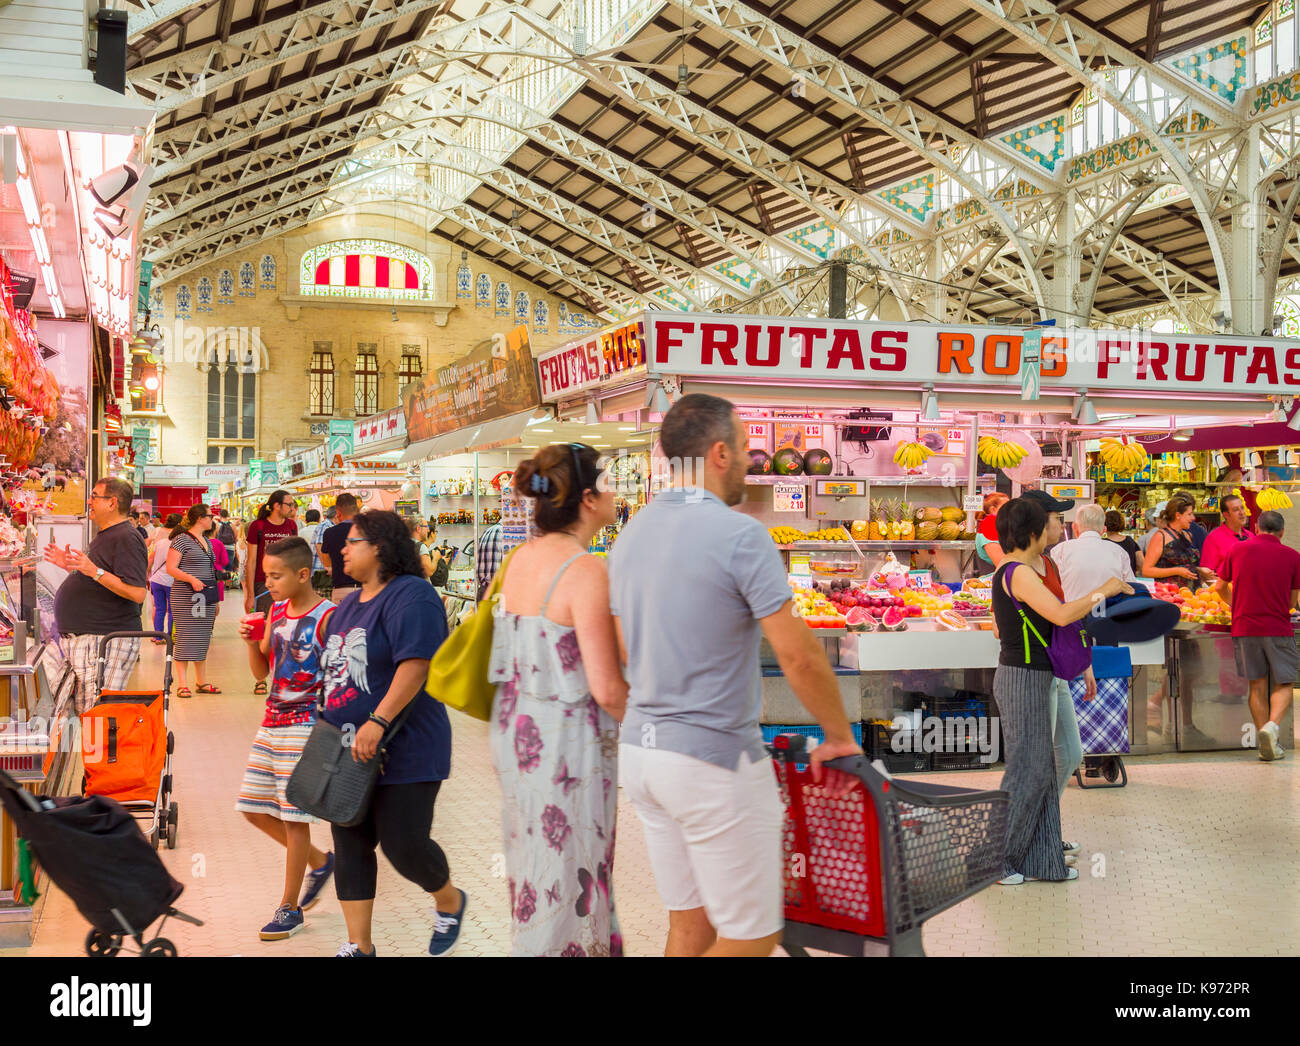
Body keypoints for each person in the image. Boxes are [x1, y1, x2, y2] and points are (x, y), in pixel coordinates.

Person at [610, 393, 862, 957]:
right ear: (720, 453)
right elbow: (800, 656)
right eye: (747, 448)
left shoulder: (633, 535)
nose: (752, 460)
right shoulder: (742, 536)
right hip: (713, 761)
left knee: (691, 925)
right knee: (754, 934)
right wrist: (840, 736)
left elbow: (626, 647)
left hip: (645, 758)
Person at [489, 444, 628, 957]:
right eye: (607, 485)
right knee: (575, 880)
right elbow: (607, 687)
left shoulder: (519, 560)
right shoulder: (585, 570)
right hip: (570, 751)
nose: (614, 494)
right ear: (588, 499)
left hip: (519, 742)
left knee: (538, 878)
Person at [319, 510, 465, 958]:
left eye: (353, 541)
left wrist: (378, 720)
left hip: (407, 746)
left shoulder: (412, 595)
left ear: (379, 547)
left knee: (404, 844)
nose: (342, 547)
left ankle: (449, 899)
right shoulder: (349, 603)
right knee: (350, 841)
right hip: (348, 747)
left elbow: (416, 664)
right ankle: (358, 946)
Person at [990, 497, 1132, 886]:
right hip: (1022, 677)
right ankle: (997, 860)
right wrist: (1105, 588)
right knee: (1028, 771)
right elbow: (1061, 614)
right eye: (1053, 521)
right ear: (1033, 531)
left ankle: (1044, 859)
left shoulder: (1039, 565)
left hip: (1042, 673)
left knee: (1045, 770)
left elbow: (1059, 620)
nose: (1059, 528)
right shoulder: (1016, 572)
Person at [236, 536, 336, 940]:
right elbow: (261, 673)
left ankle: (289, 908)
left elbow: (341, 677)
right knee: (252, 806)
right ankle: (320, 862)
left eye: (276, 576)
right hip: (272, 721)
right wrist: (249, 642)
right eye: (266, 576)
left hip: (307, 725)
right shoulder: (275, 611)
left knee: (295, 819)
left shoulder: (329, 617)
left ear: (302, 574)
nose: (269, 583)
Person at [44, 478, 149, 714]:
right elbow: (102, 579)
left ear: (112, 503)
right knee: (87, 713)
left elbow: (137, 593)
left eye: (94, 496)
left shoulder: (126, 537)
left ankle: (102, 753)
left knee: (98, 718)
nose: (89, 501)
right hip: (89, 639)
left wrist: (92, 570)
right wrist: (73, 568)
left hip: (104, 640)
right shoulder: (108, 534)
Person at [1214, 510, 1300, 762]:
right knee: (1284, 682)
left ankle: (1266, 745)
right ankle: (1271, 728)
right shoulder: (1293, 556)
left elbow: (1219, 586)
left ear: (1257, 527)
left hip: (1244, 626)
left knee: (1257, 684)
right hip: (1277, 627)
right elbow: (1292, 601)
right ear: (1282, 532)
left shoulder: (1237, 550)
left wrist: (1236, 605)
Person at [245, 490, 299, 696]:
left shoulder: (292, 526)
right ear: (277, 506)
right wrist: (250, 593)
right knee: (263, 631)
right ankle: (260, 679)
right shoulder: (258, 527)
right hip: (263, 585)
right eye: (289, 504)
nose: (292, 508)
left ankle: (284, 674)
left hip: (288, 584)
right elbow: (250, 562)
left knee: (287, 629)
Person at [166, 504, 222, 698]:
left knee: (202, 636)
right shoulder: (181, 540)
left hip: (205, 594)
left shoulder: (206, 540)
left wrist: (216, 601)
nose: (212, 519)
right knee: (184, 636)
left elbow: (210, 570)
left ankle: (201, 681)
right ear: (199, 518)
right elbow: (171, 568)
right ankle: (182, 683)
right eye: (210, 516)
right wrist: (191, 579)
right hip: (185, 595)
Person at [1143, 494, 1206, 583]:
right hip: (1170, 592)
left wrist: (1199, 570)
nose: (1193, 518)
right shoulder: (1161, 536)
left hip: (1191, 593)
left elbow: (1186, 565)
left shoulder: (1188, 535)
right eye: (1189, 514)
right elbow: (1147, 571)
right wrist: (1177, 571)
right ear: (1178, 515)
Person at [147, 512, 182, 644]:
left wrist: (146, 574)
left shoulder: (160, 542)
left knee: (160, 608)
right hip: (170, 581)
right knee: (172, 610)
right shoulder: (179, 545)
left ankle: (157, 637)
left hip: (156, 580)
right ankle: (171, 636)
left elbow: (151, 558)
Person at [319, 492, 359, 602]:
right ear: (357, 510)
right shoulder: (367, 530)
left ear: (338, 512)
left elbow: (327, 564)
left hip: (340, 589)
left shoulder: (330, 533)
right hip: (365, 590)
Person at [1200, 493, 1253, 578]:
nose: (1242, 513)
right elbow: (1208, 574)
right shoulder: (1214, 538)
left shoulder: (1251, 536)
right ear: (1226, 515)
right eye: (1236, 510)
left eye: (1242, 508)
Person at [975, 492, 1009, 568]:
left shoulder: (1001, 527)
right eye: (1006, 507)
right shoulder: (988, 529)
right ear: (993, 510)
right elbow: (1003, 565)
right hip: (996, 577)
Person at [1104, 510, 1143, 576]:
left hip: (1110, 582)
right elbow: (1141, 563)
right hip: (1128, 581)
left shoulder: (1103, 543)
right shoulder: (1130, 541)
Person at [299, 509, 329, 594]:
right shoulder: (322, 530)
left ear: (306, 519)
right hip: (320, 569)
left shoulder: (301, 532)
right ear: (319, 519)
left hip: (304, 567)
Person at [476, 520, 504, 601]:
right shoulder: (502, 532)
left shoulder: (489, 530)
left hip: (485, 591)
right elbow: (495, 574)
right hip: (495, 593)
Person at [215, 510, 240, 587]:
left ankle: (221, 584)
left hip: (220, 547)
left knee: (221, 565)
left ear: (220, 515)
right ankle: (228, 585)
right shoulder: (232, 525)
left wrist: (218, 518)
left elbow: (215, 535)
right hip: (231, 548)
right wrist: (229, 518)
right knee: (229, 565)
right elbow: (236, 537)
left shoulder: (217, 525)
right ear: (228, 515)